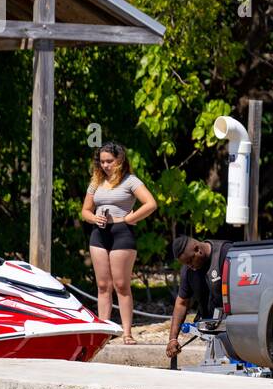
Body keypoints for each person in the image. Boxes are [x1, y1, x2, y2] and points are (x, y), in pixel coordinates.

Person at [81, 143, 157, 344]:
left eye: (109, 161)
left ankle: (127, 332)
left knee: (121, 285)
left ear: (119, 160)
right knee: (103, 285)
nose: (105, 165)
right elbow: (85, 210)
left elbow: (151, 203)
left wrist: (132, 218)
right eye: (102, 161)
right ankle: (104, 331)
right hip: (99, 234)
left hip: (122, 233)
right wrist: (93, 218)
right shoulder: (96, 181)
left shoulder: (130, 180)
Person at [165, 233, 229, 365]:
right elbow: (181, 303)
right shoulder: (188, 271)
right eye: (186, 264)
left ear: (197, 249)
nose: (190, 266)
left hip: (232, 324)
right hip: (210, 325)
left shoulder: (225, 253)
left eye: (190, 261)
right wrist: (172, 339)